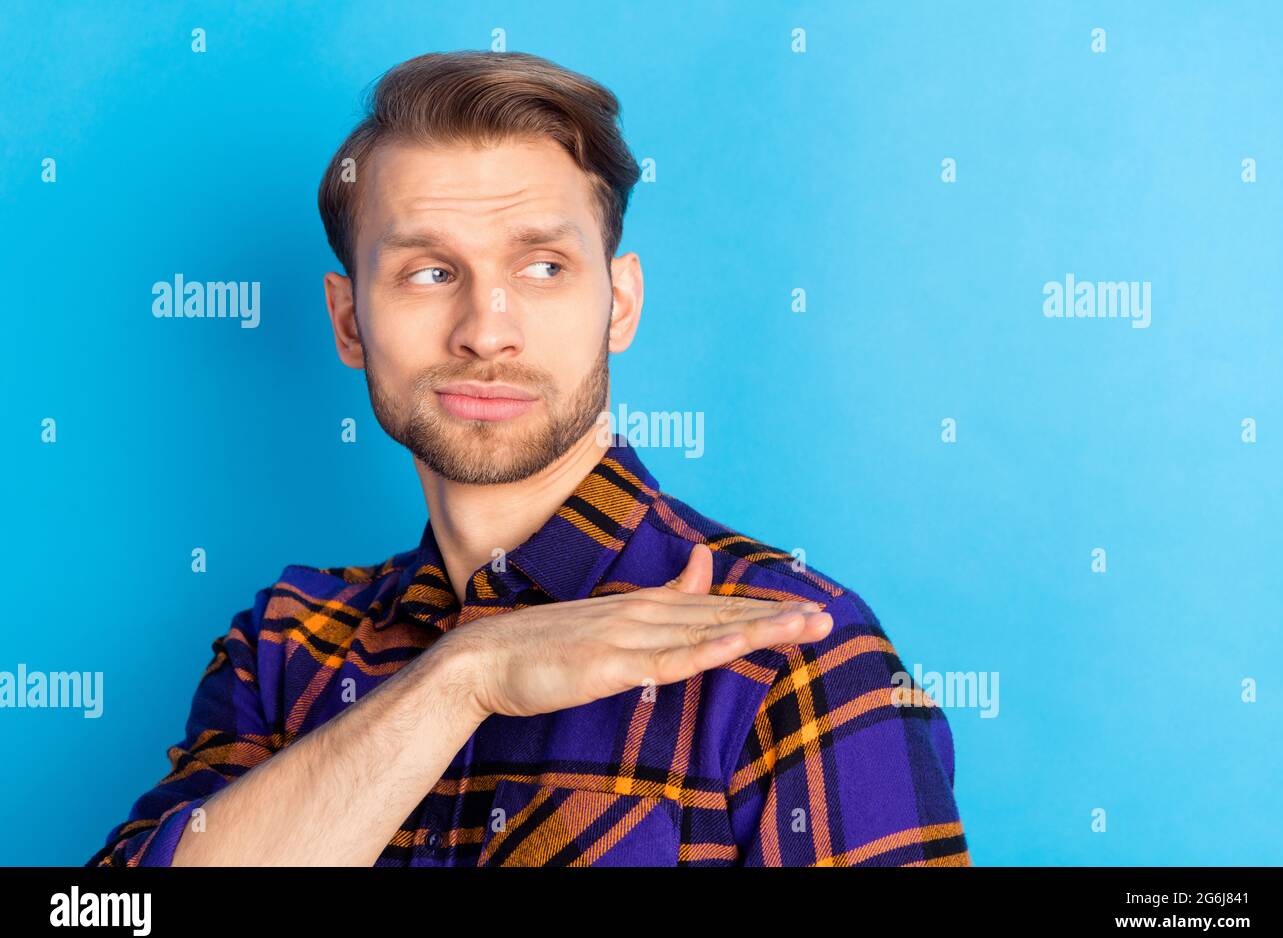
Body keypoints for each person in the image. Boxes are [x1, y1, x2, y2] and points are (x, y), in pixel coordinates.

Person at [87, 50, 970, 867]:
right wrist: (459, 680)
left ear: (619, 303)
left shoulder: (789, 647)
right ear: (349, 320)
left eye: (543, 267)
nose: (486, 332)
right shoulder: (284, 648)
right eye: (429, 273)